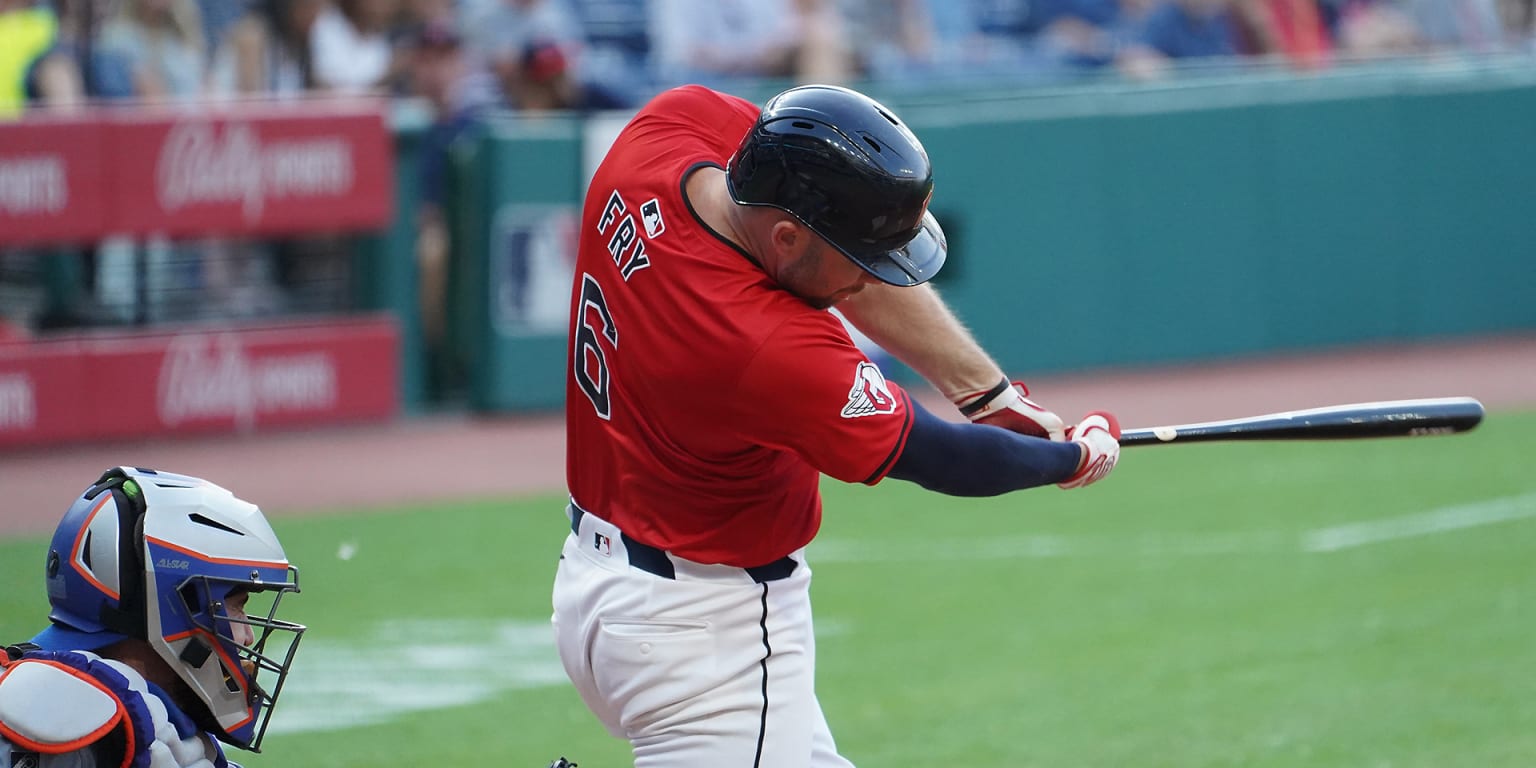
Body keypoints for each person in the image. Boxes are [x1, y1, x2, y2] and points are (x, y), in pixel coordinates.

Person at [551, 83, 1122, 766]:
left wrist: (985, 392)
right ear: (787, 238)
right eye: (860, 265)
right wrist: (1074, 457)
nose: (867, 284)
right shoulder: (766, 346)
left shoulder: (668, 129)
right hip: (705, 634)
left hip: (604, 586)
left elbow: (816, 204)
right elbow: (943, 457)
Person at [0, 467, 306, 767]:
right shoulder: (56, 723)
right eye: (236, 606)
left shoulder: (153, 730)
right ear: (177, 606)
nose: (248, 636)